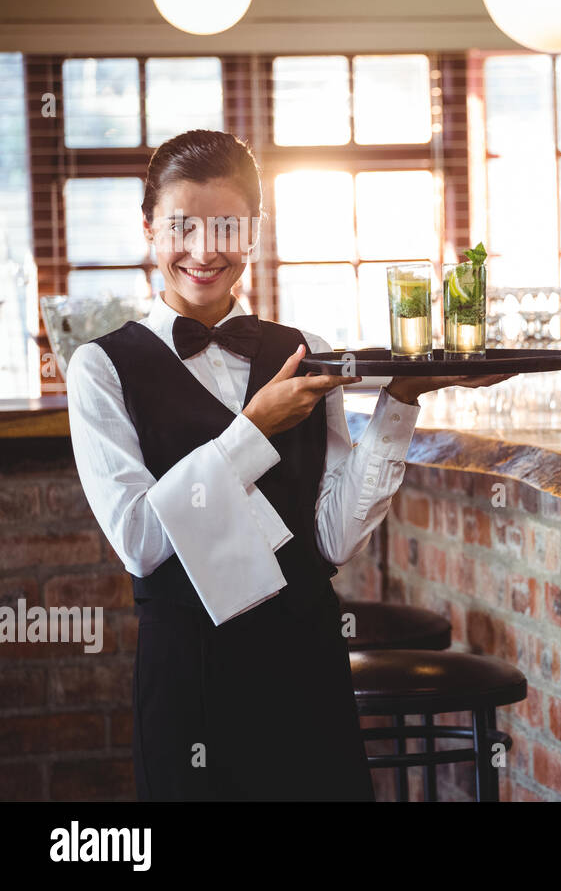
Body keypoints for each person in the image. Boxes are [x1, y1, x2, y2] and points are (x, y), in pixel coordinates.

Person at [66, 129, 511, 800]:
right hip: (192, 675)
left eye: (226, 225)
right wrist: (252, 431)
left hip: (308, 659)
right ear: (150, 228)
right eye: (183, 224)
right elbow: (140, 541)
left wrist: (400, 402)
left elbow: (331, 537)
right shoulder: (99, 368)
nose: (205, 248)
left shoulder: (308, 350)